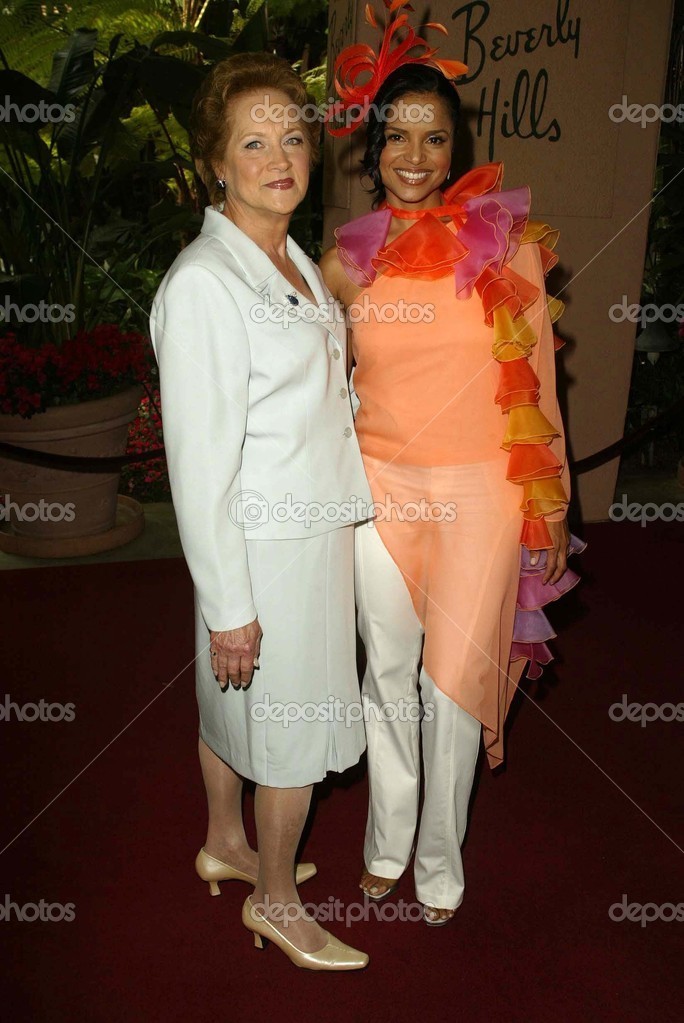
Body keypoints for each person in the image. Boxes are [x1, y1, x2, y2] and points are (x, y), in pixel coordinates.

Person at [320, 2, 584, 925]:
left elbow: (539, 390)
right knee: (386, 672)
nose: (417, 155)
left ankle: (440, 859)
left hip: (480, 494)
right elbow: (310, 388)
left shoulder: (507, 247)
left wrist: (550, 511)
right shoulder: (345, 264)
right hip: (379, 489)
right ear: (372, 147)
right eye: (397, 136)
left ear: (456, 139)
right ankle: (386, 843)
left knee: (453, 681)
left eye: (434, 134)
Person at [150, 53, 373, 970]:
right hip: (270, 546)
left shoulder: (287, 258)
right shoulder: (207, 282)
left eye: (292, 135)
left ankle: (225, 841)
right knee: (291, 729)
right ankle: (277, 902)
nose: (279, 155)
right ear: (216, 161)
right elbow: (197, 463)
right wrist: (230, 603)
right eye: (253, 140)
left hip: (306, 527)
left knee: (231, 706)